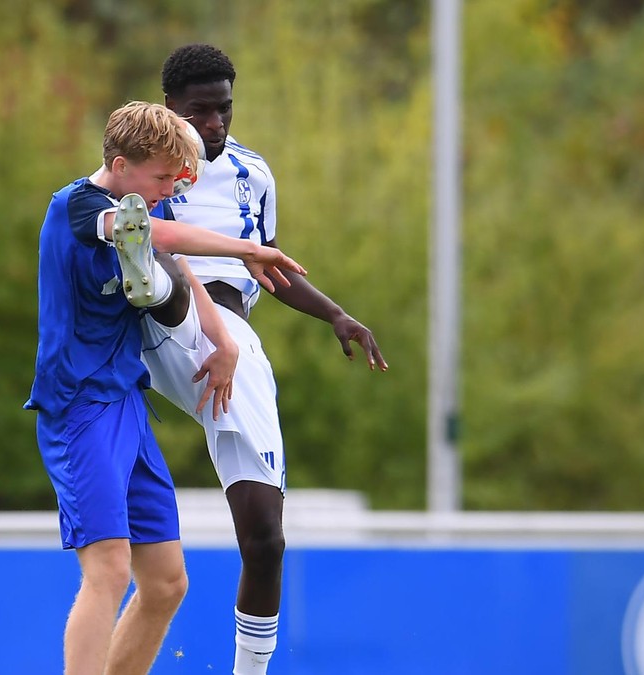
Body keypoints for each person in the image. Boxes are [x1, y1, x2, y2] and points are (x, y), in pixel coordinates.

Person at [24, 101, 306, 675]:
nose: (167, 188)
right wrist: (246, 247)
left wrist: (220, 338)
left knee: (167, 582)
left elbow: (167, 253)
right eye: (160, 178)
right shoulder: (80, 205)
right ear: (122, 165)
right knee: (108, 572)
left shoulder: (137, 215)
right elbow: (137, 228)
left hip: (127, 400)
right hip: (79, 407)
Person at [145, 44, 388, 675]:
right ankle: (151, 296)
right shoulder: (142, 170)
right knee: (151, 263)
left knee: (265, 538)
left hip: (231, 352)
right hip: (165, 325)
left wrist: (336, 313)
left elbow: (269, 263)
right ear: (170, 109)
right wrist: (214, 330)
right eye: (200, 112)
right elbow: (153, 236)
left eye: (224, 109)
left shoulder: (254, 174)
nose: (215, 124)